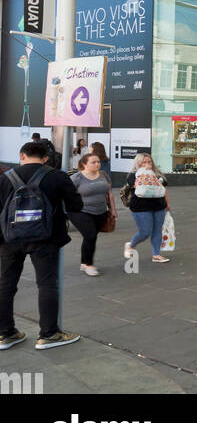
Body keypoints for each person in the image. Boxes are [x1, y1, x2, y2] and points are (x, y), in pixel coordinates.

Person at [0, 138, 83, 350]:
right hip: (45, 238)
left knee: (6, 285)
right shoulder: (56, 176)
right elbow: (76, 204)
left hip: (10, 239)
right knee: (46, 284)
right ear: (45, 158)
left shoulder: (5, 179)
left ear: (22, 156)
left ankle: (5, 333)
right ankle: (48, 334)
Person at [69, 152, 115, 275]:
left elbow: (109, 193)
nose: (97, 164)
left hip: (100, 211)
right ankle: (89, 265)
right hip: (80, 212)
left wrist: (112, 209)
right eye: (93, 162)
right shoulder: (76, 178)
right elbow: (67, 195)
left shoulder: (103, 175)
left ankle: (84, 263)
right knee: (90, 235)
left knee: (90, 237)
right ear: (84, 164)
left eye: (98, 162)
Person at [123, 154, 171, 264]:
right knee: (145, 231)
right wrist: (146, 173)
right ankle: (130, 245)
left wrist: (167, 203)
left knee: (157, 230)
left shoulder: (158, 174)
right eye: (144, 162)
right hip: (141, 207)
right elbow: (140, 186)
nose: (147, 164)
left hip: (159, 205)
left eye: (149, 162)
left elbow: (164, 189)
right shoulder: (133, 175)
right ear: (138, 163)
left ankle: (156, 254)